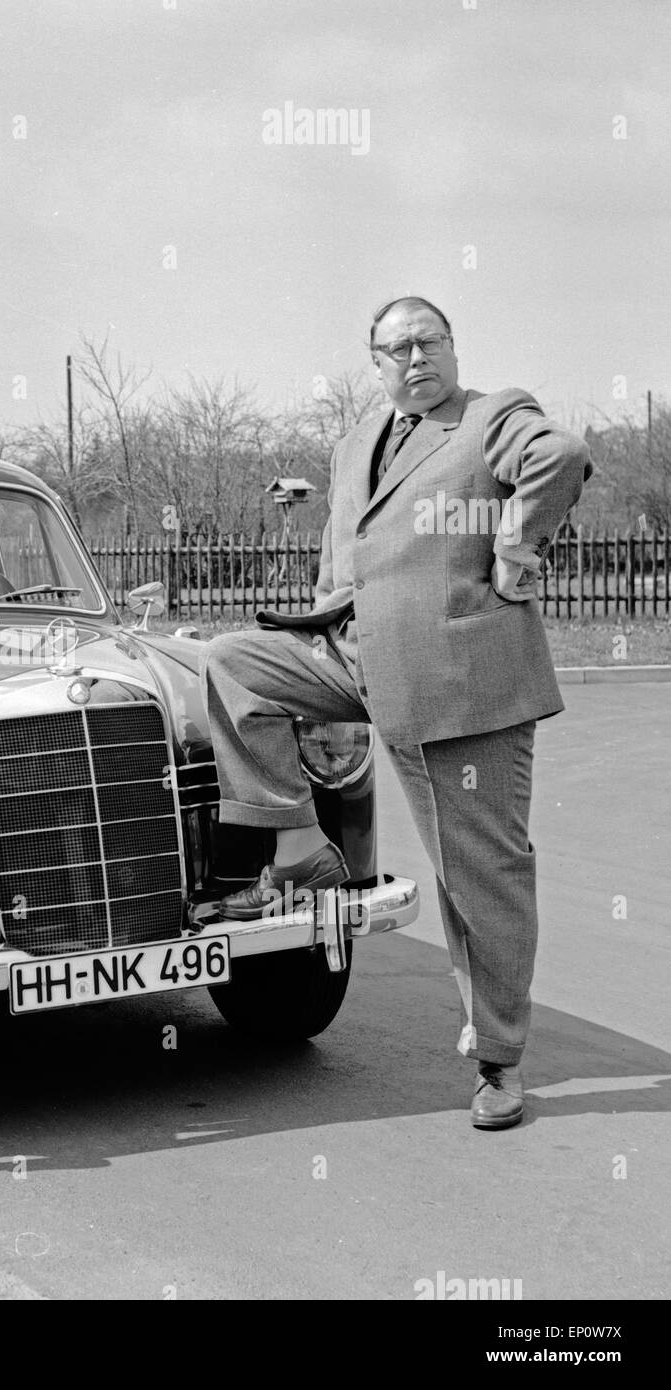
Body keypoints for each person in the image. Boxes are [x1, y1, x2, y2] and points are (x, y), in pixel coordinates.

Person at [204, 295, 592, 1130]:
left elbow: (561, 456)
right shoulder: (354, 445)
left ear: (452, 347)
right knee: (234, 665)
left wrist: (517, 546)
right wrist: (320, 623)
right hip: (356, 658)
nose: (416, 358)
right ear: (375, 364)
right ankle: (300, 844)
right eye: (397, 349)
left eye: (429, 342)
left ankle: (499, 1061)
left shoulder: (490, 418)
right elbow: (341, 559)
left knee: (479, 875)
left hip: (460, 685)